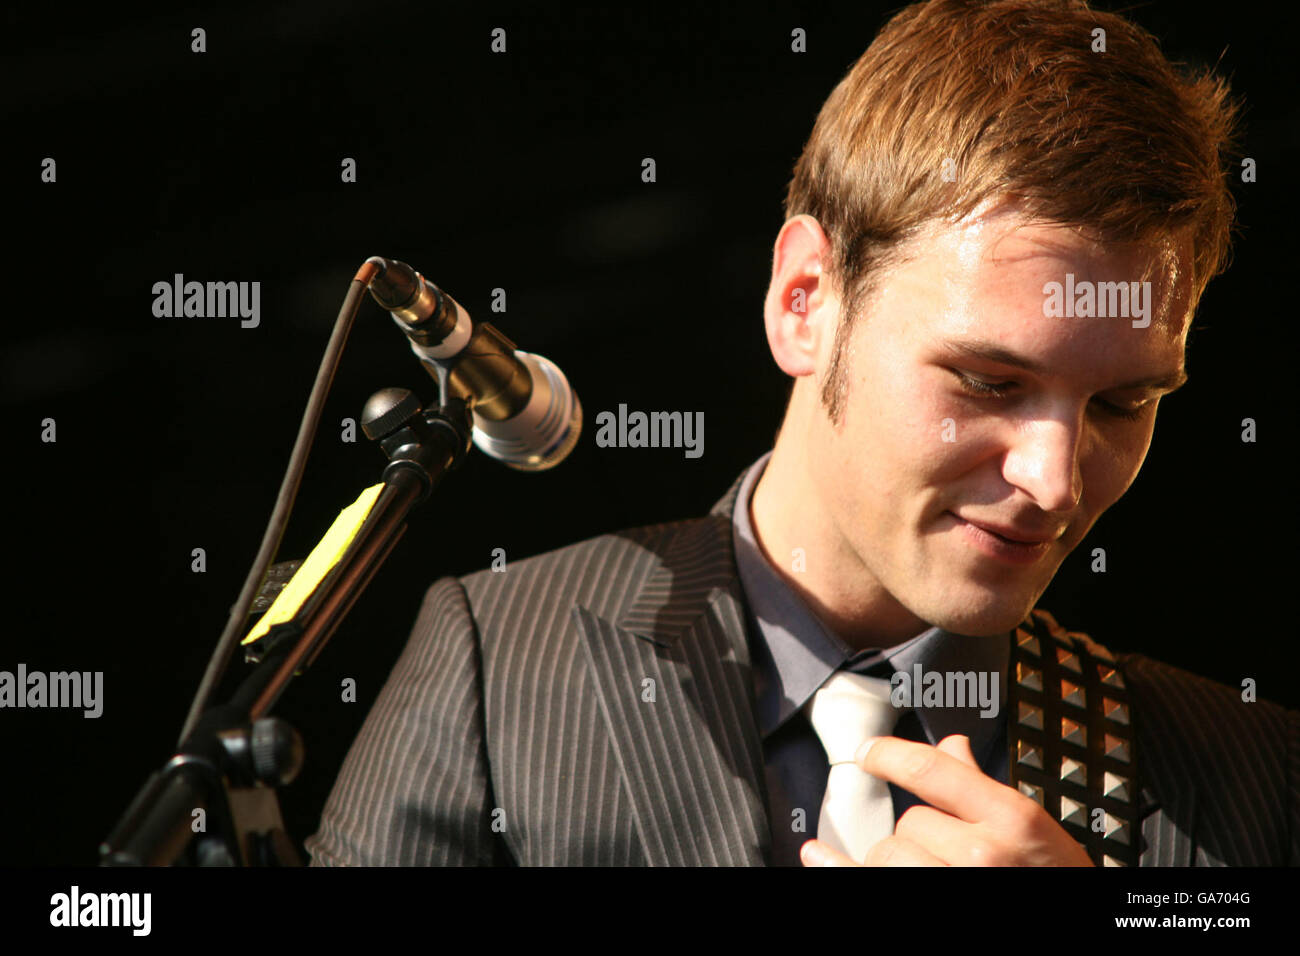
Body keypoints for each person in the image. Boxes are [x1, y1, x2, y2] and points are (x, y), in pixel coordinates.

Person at [305, 0, 1297, 866]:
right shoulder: (499, 664)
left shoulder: (1254, 776)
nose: (1053, 480)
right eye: (989, 378)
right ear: (804, 301)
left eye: (1122, 403)